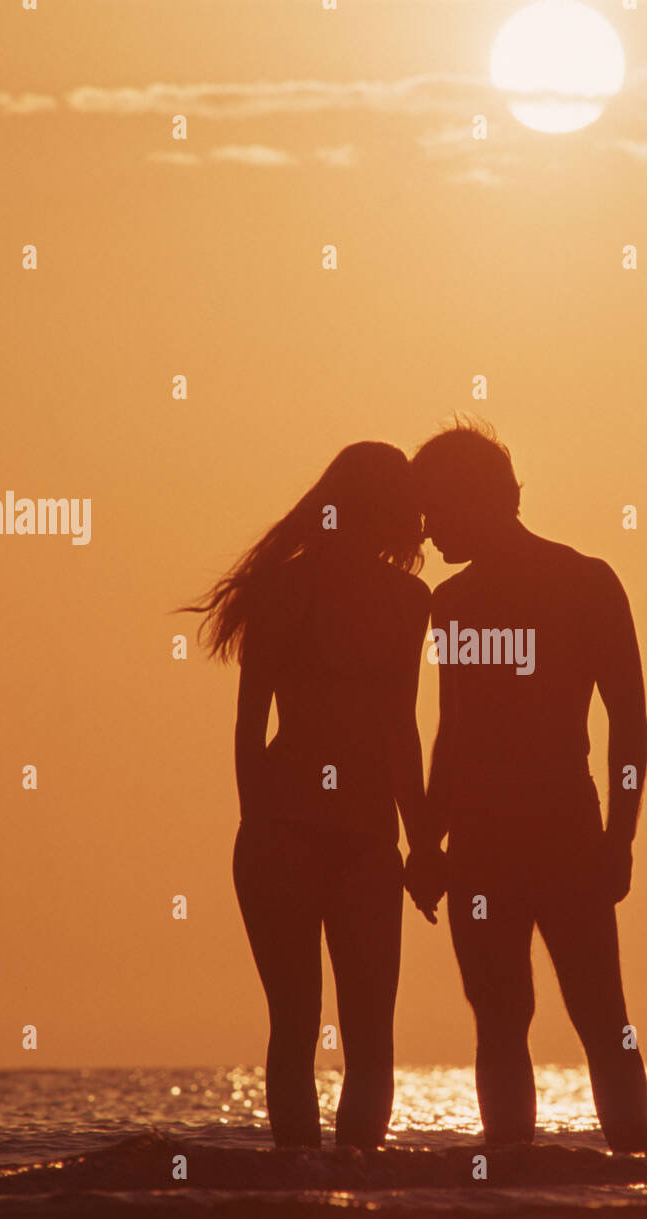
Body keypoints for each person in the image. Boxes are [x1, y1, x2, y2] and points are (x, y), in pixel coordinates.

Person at [405, 419, 647, 1152]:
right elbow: (453, 730)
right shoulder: (451, 603)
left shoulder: (586, 581)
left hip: (560, 829)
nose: (427, 530)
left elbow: (629, 723)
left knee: (597, 1014)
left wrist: (620, 838)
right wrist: (425, 842)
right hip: (494, 836)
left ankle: (632, 1178)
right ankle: (511, 1188)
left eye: (436, 511)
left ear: (479, 501)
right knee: (503, 1017)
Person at [184, 442, 431, 1149]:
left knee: (339, 1028)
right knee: (320, 1026)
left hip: (340, 831)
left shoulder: (404, 600)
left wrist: (418, 846)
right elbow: (252, 716)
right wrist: (255, 821)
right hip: (295, 827)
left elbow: (399, 727)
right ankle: (318, 1181)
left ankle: (334, 1185)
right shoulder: (291, 590)